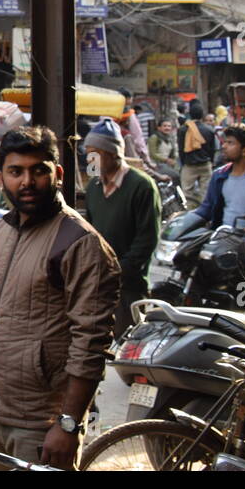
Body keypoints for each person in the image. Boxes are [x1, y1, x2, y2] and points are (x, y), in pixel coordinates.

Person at [0, 126, 119, 470]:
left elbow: (90, 345)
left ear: (58, 174)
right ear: (0, 178)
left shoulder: (80, 243)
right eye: (16, 171)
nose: (27, 182)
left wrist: (68, 423)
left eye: (39, 171)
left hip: (43, 422)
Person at [82, 119, 161, 338]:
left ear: (114, 153)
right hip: (98, 285)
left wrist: (117, 272)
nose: (91, 159)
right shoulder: (93, 188)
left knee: (128, 344)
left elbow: (147, 241)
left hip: (129, 286)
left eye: (96, 153)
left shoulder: (141, 186)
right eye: (89, 153)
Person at [177, 124, 245, 238]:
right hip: (222, 237)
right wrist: (182, 220)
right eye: (225, 142)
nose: (224, 146)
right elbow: (206, 209)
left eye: (230, 143)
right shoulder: (219, 175)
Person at [178, 101, 217, 208]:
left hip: (189, 165)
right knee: (205, 192)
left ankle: (189, 216)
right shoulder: (209, 130)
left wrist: (183, 164)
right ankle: (204, 214)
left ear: (190, 114)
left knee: (187, 193)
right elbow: (212, 149)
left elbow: (181, 149)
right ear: (202, 116)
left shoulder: (183, 129)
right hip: (205, 165)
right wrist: (211, 162)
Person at [117, 88, 152, 166]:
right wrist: (146, 158)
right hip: (127, 158)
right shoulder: (129, 116)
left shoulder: (106, 112)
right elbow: (138, 137)